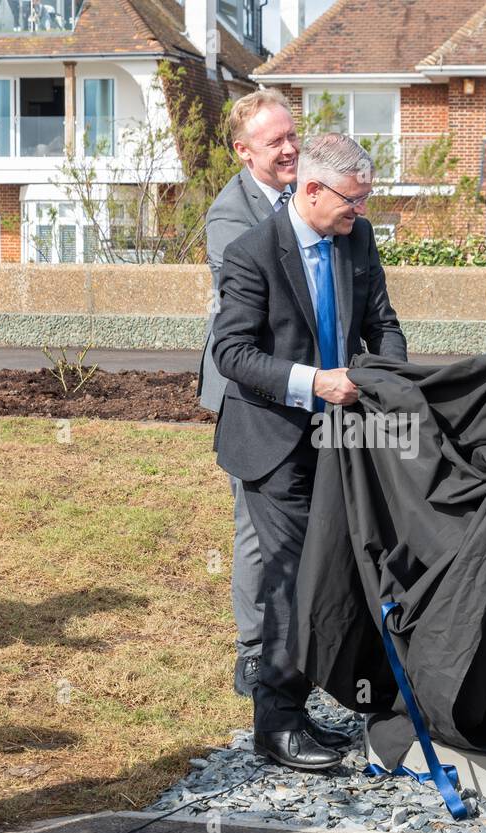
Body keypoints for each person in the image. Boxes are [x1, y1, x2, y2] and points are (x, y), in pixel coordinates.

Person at [211, 132, 408, 771]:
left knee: (341, 567)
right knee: (291, 580)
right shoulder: (251, 254)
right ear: (312, 191)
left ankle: (339, 697)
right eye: (352, 201)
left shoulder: (357, 239)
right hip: (272, 440)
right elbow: (233, 354)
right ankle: (278, 724)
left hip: (343, 437)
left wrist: (384, 383)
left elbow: (384, 325)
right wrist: (314, 383)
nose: (360, 212)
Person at [201, 90, 300, 698]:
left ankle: (302, 638)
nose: (290, 149)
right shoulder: (228, 216)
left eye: (293, 136)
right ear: (243, 152)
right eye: (275, 142)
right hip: (249, 389)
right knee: (254, 524)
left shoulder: (309, 193)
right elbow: (267, 297)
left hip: (305, 382)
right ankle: (254, 649)